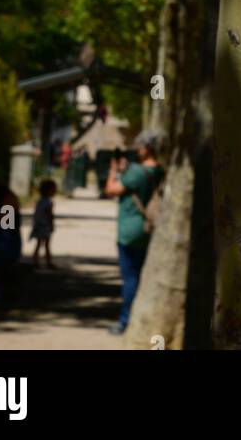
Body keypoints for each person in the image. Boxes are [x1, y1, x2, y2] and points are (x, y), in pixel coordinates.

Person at [104, 132, 163, 335]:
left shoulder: (137, 171)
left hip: (130, 230)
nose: (138, 150)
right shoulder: (159, 170)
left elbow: (110, 190)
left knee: (130, 278)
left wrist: (113, 171)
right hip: (150, 228)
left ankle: (125, 320)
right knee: (140, 275)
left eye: (140, 146)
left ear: (146, 148)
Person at [29, 179, 57, 269]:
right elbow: (49, 215)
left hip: (38, 225)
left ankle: (35, 262)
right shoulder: (49, 202)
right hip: (45, 226)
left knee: (38, 244)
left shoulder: (39, 201)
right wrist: (52, 225)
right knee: (47, 245)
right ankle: (49, 262)